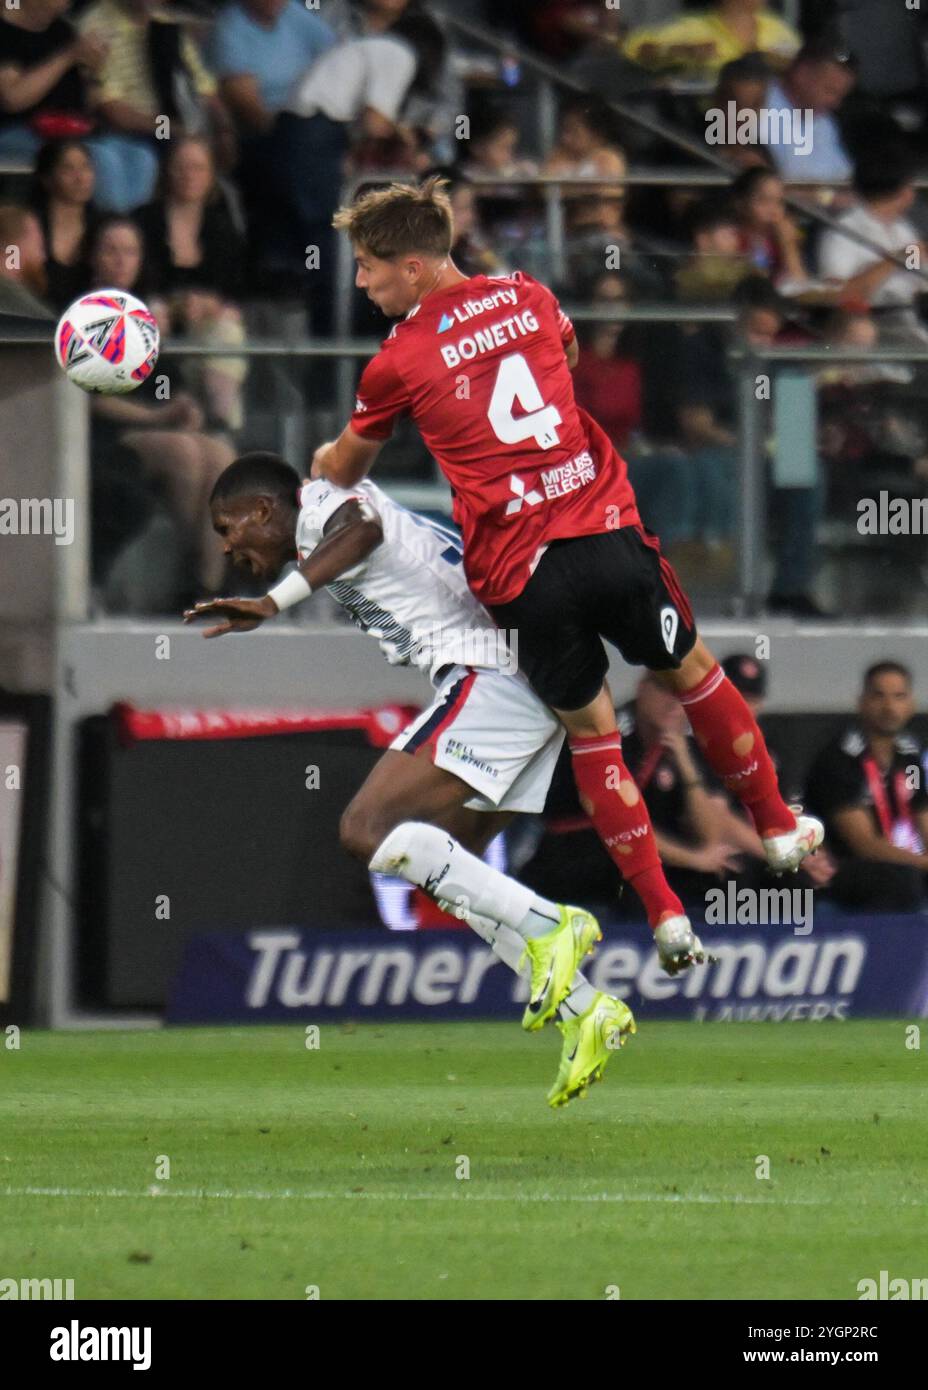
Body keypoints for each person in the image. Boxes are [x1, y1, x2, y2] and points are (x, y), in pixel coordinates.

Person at [312, 176, 824, 980]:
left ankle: (664, 917)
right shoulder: (528, 294)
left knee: (592, 735)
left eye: (369, 265)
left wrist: (320, 468)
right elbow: (570, 354)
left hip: (523, 576)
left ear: (413, 268)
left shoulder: (397, 360)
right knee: (691, 671)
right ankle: (777, 825)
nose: (360, 280)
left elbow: (347, 466)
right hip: (604, 532)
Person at [184, 451, 635, 1108]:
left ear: (263, 509)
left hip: (490, 672)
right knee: (448, 868)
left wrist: (273, 603)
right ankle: (586, 1011)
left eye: (230, 528)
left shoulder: (319, 507)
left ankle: (548, 926)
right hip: (532, 676)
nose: (228, 547)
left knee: (365, 829)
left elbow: (363, 528)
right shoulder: (327, 510)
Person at [805, 662, 928, 911]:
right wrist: (924, 864)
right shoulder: (840, 758)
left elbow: (923, 815)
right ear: (861, 701)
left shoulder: (909, 756)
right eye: (879, 696)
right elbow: (864, 845)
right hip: (838, 868)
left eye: (899, 697)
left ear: (911, 704)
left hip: (899, 863)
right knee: (902, 880)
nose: (889, 707)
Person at [816, 147, 928, 346]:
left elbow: (919, 278)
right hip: (867, 325)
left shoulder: (903, 230)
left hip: (911, 322)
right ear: (904, 191)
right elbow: (839, 296)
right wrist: (896, 259)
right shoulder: (843, 232)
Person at [624, 0, 799, 77]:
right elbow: (633, 47)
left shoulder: (778, 29)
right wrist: (682, 50)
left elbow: (806, 66)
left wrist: (788, 64)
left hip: (779, 123)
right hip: (715, 123)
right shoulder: (694, 28)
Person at [30, 138, 99, 312]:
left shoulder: (104, 225)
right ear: (46, 178)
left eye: (86, 167)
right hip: (35, 320)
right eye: (68, 169)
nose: (80, 177)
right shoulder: (26, 226)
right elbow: (11, 271)